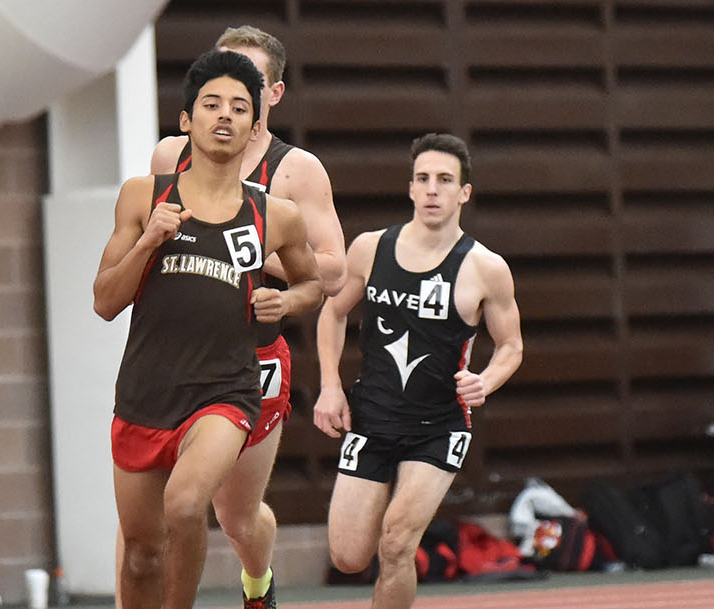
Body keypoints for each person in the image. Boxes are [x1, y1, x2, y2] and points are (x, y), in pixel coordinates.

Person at [93, 49, 322, 609]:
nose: (225, 116)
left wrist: (286, 300)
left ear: (255, 126)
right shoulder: (144, 196)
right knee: (142, 553)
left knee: (186, 504)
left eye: (240, 108)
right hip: (146, 392)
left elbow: (313, 284)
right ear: (186, 120)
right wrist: (148, 242)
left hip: (227, 390)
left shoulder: (275, 214)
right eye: (212, 104)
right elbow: (104, 301)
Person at [146, 26, 346, 608]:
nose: (232, 89)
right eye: (221, 71)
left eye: (249, 81)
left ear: (273, 95)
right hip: (175, 354)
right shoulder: (169, 154)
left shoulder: (295, 170)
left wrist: (258, 247)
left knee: (234, 516)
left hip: (250, 356)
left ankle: (258, 583)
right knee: (155, 511)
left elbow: (333, 270)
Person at [313, 134, 523, 609]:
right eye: (423, 179)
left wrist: (485, 381)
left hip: (438, 426)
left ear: (464, 193)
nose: (432, 189)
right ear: (410, 187)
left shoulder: (485, 268)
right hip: (372, 417)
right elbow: (333, 313)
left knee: (396, 543)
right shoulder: (370, 249)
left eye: (445, 180)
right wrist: (329, 387)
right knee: (348, 557)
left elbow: (511, 345)